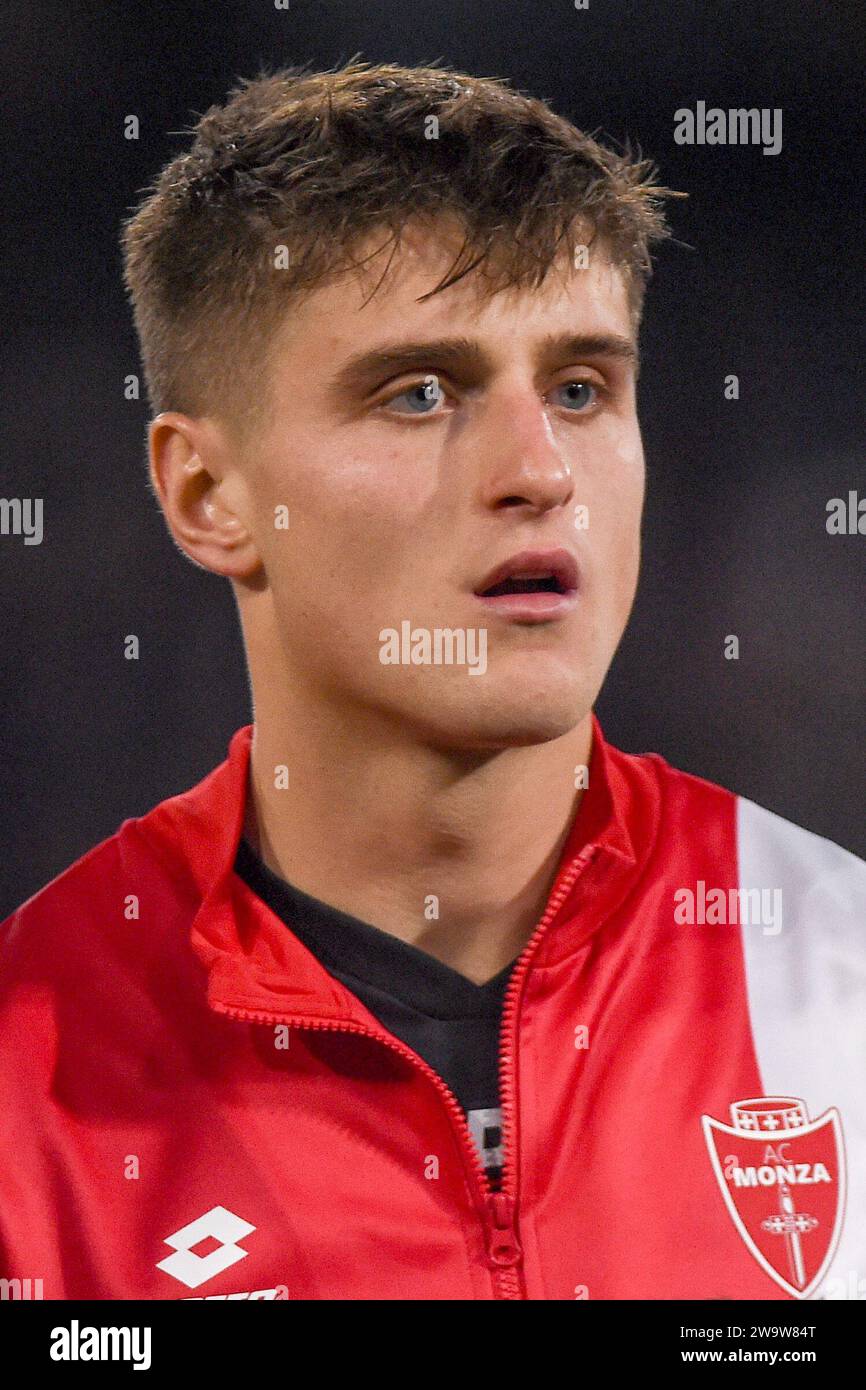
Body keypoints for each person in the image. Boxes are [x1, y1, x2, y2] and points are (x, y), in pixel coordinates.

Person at [1, 59, 862, 1302]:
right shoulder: (33, 1072)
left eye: (578, 388)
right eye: (418, 393)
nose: (539, 469)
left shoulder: (837, 973)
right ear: (207, 493)